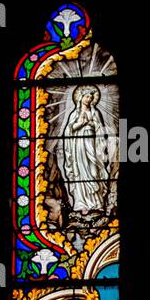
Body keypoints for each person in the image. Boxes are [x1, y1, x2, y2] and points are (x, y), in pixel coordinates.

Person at [61, 86, 112, 219]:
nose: (89, 99)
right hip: (78, 146)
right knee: (80, 172)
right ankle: (81, 204)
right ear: (81, 97)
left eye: (91, 97)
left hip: (93, 145)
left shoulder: (95, 113)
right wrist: (81, 124)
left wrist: (93, 125)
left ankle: (97, 203)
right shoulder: (74, 114)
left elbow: (100, 129)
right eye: (86, 96)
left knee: (94, 172)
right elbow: (68, 131)